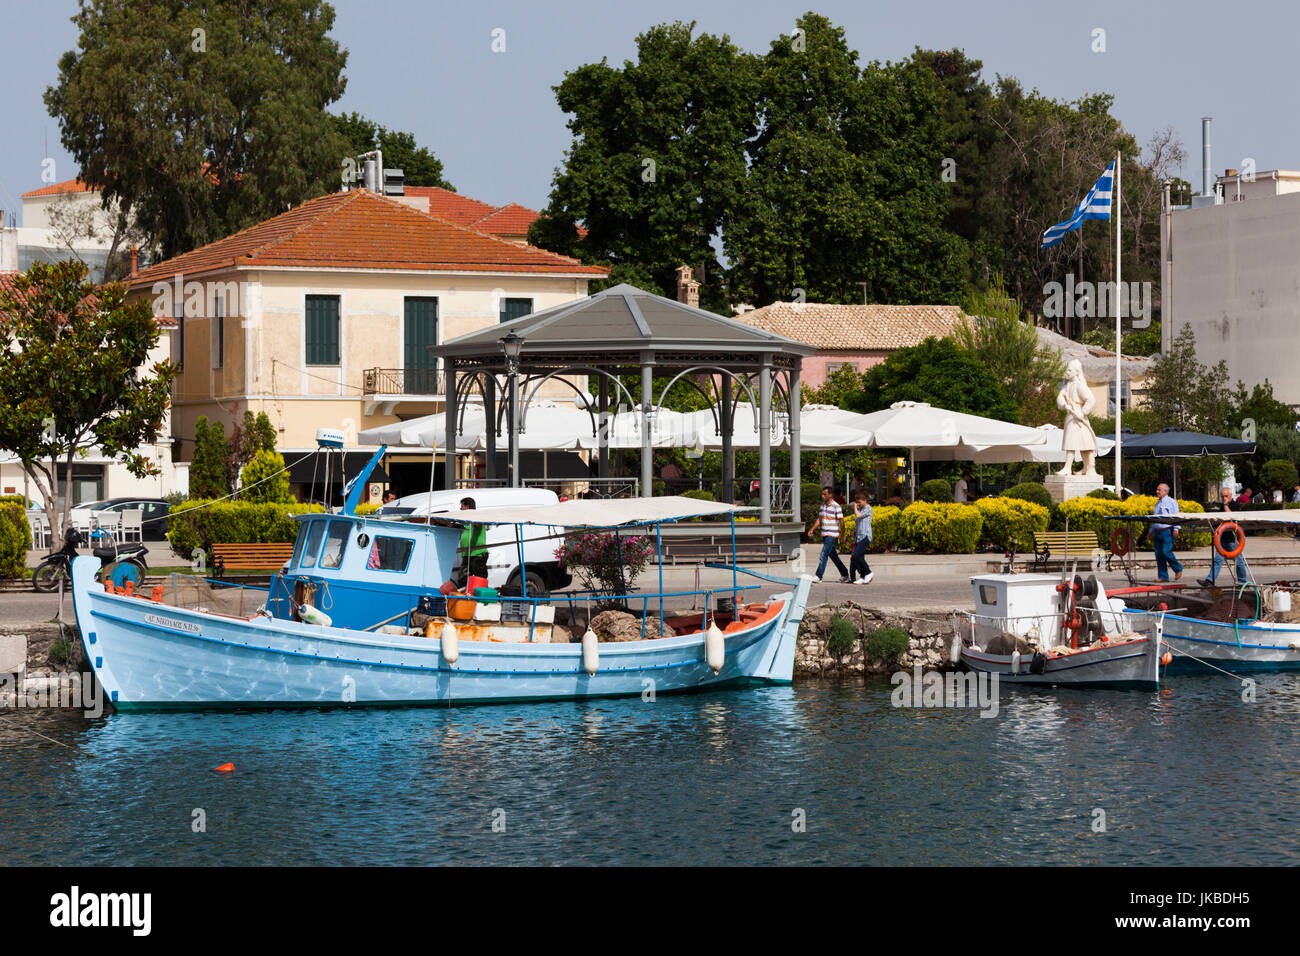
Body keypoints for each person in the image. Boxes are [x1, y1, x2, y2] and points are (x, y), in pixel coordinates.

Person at [1055, 360, 1099, 476]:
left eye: (1070, 370)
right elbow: (1059, 398)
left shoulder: (1080, 386)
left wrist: (1083, 412)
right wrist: (1064, 404)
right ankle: (1074, 468)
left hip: (1078, 417)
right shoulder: (1067, 385)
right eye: (1067, 370)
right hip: (1071, 416)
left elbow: (1091, 400)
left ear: (1076, 372)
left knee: (1085, 444)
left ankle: (1087, 468)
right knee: (1074, 442)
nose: (1067, 372)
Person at [1200, 486, 1247, 587]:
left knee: (1238, 561)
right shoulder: (1222, 506)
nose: (1224, 498)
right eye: (1222, 496)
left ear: (1230, 496)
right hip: (1222, 539)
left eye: (1226, 496)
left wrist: (1226, 505)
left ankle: (1243, 581)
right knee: (1217, 560)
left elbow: (1232, 517)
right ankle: (1209, 581)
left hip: (1232, 539)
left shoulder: (1235, 505)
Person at [808, 486, 850, 583]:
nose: (822, 496)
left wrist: (843, 535)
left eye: (824, 494)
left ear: (830, 495)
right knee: (833, 556)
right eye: (822, 494)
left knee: (824, 554)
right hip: (825, 534)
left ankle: (818, 576)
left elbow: (841, 522)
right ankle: (845, 574)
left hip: (832, 534)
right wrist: (812, 529)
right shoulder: (822, 506)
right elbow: (819, 519)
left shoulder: (836, 506)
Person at [1151, 483, 1183, 583]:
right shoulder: (1157, 503)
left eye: (1159, 490)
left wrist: (1176, 529)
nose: (1157, 492)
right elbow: (1155, 518)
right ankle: (1163, 576)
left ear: (1165, 491)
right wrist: (1151, 531)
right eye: (1157, 490)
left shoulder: (1171, 502)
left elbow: (1176, 516)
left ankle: (1178, 568)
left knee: (1166, 551)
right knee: (1159, 554)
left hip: (1167, 531)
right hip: (1158, 532)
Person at [456, 496, 489, 587]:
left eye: (461, 507)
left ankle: (482, 599)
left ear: (467, 507)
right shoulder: (464, 521)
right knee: (463, 579)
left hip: (478, 555)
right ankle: (463, 599)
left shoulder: (477, 518)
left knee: (480, 579)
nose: (460, 509)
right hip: (467, 554)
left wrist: (471, 520)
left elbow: (478, 524)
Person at [849, 491, 874, 585]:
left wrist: (855, 507)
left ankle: (868, 572)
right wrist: (854, 531)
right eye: (857, 502)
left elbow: (858, 516)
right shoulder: (862, 509)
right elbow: (859, 521)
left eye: (859, 502)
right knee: (857, 557)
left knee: (856, 555)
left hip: (865, 536)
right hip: (859, 537)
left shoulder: (868, 509)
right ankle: (863, 576)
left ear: (865, 500)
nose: (858, 504)